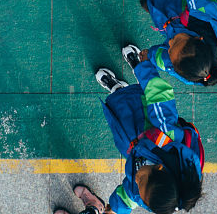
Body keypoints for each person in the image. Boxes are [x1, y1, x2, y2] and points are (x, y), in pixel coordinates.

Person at [59, 51, 202, 213]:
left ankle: (117, 88)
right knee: (136, 97)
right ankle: (137, 65)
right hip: (146, 119)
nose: (135, 179)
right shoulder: (168, 134)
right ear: (159, 168)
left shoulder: (149, 194)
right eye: (140, 180)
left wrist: (112, 210)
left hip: (134, 144)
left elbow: (130, 195)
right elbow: (160, 96)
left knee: (121, 111)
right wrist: (145, 66)